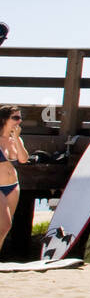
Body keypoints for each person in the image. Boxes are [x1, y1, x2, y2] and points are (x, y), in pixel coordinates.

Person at [0, 105, 30, 252]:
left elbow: (23, 159)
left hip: (13, 186)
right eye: (15, 117)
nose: (19, 121)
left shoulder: (16, 140)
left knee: (5, 228)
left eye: (20, 117)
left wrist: (17, 138)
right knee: (4, 224)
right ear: (4, 119)